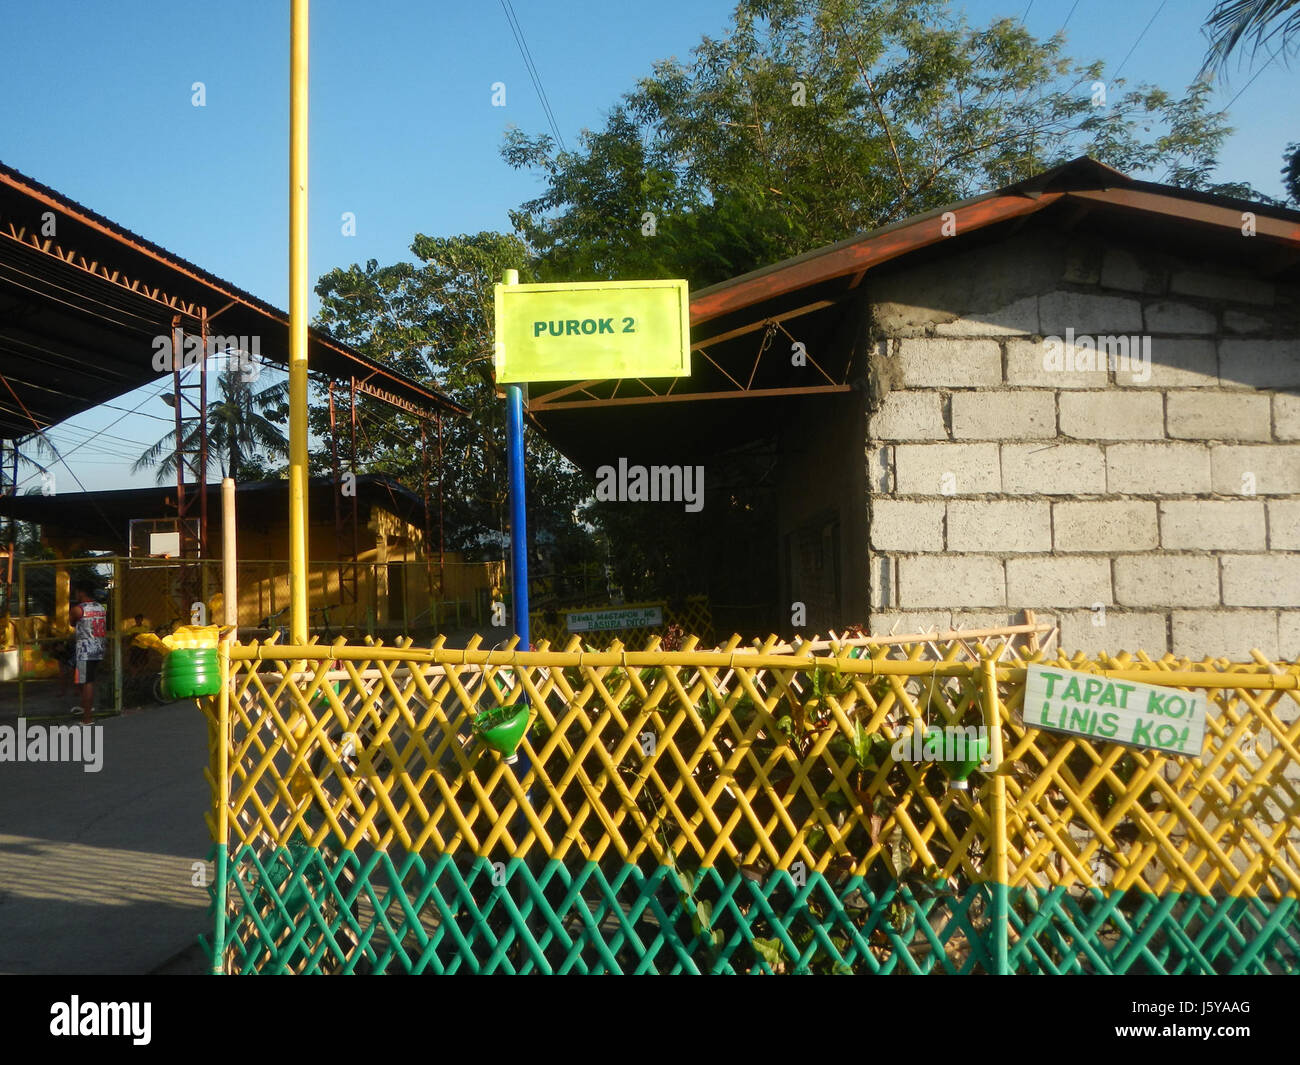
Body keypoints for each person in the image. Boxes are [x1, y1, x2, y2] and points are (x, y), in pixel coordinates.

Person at [69, 584, 107, 725]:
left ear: (80, 592)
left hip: (85, 650)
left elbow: (72, 622)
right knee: (80, 678)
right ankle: (86, 707)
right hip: (99, 646)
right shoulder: (100, 607)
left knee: (86, 682)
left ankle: (87, 717)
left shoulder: (78, 610)